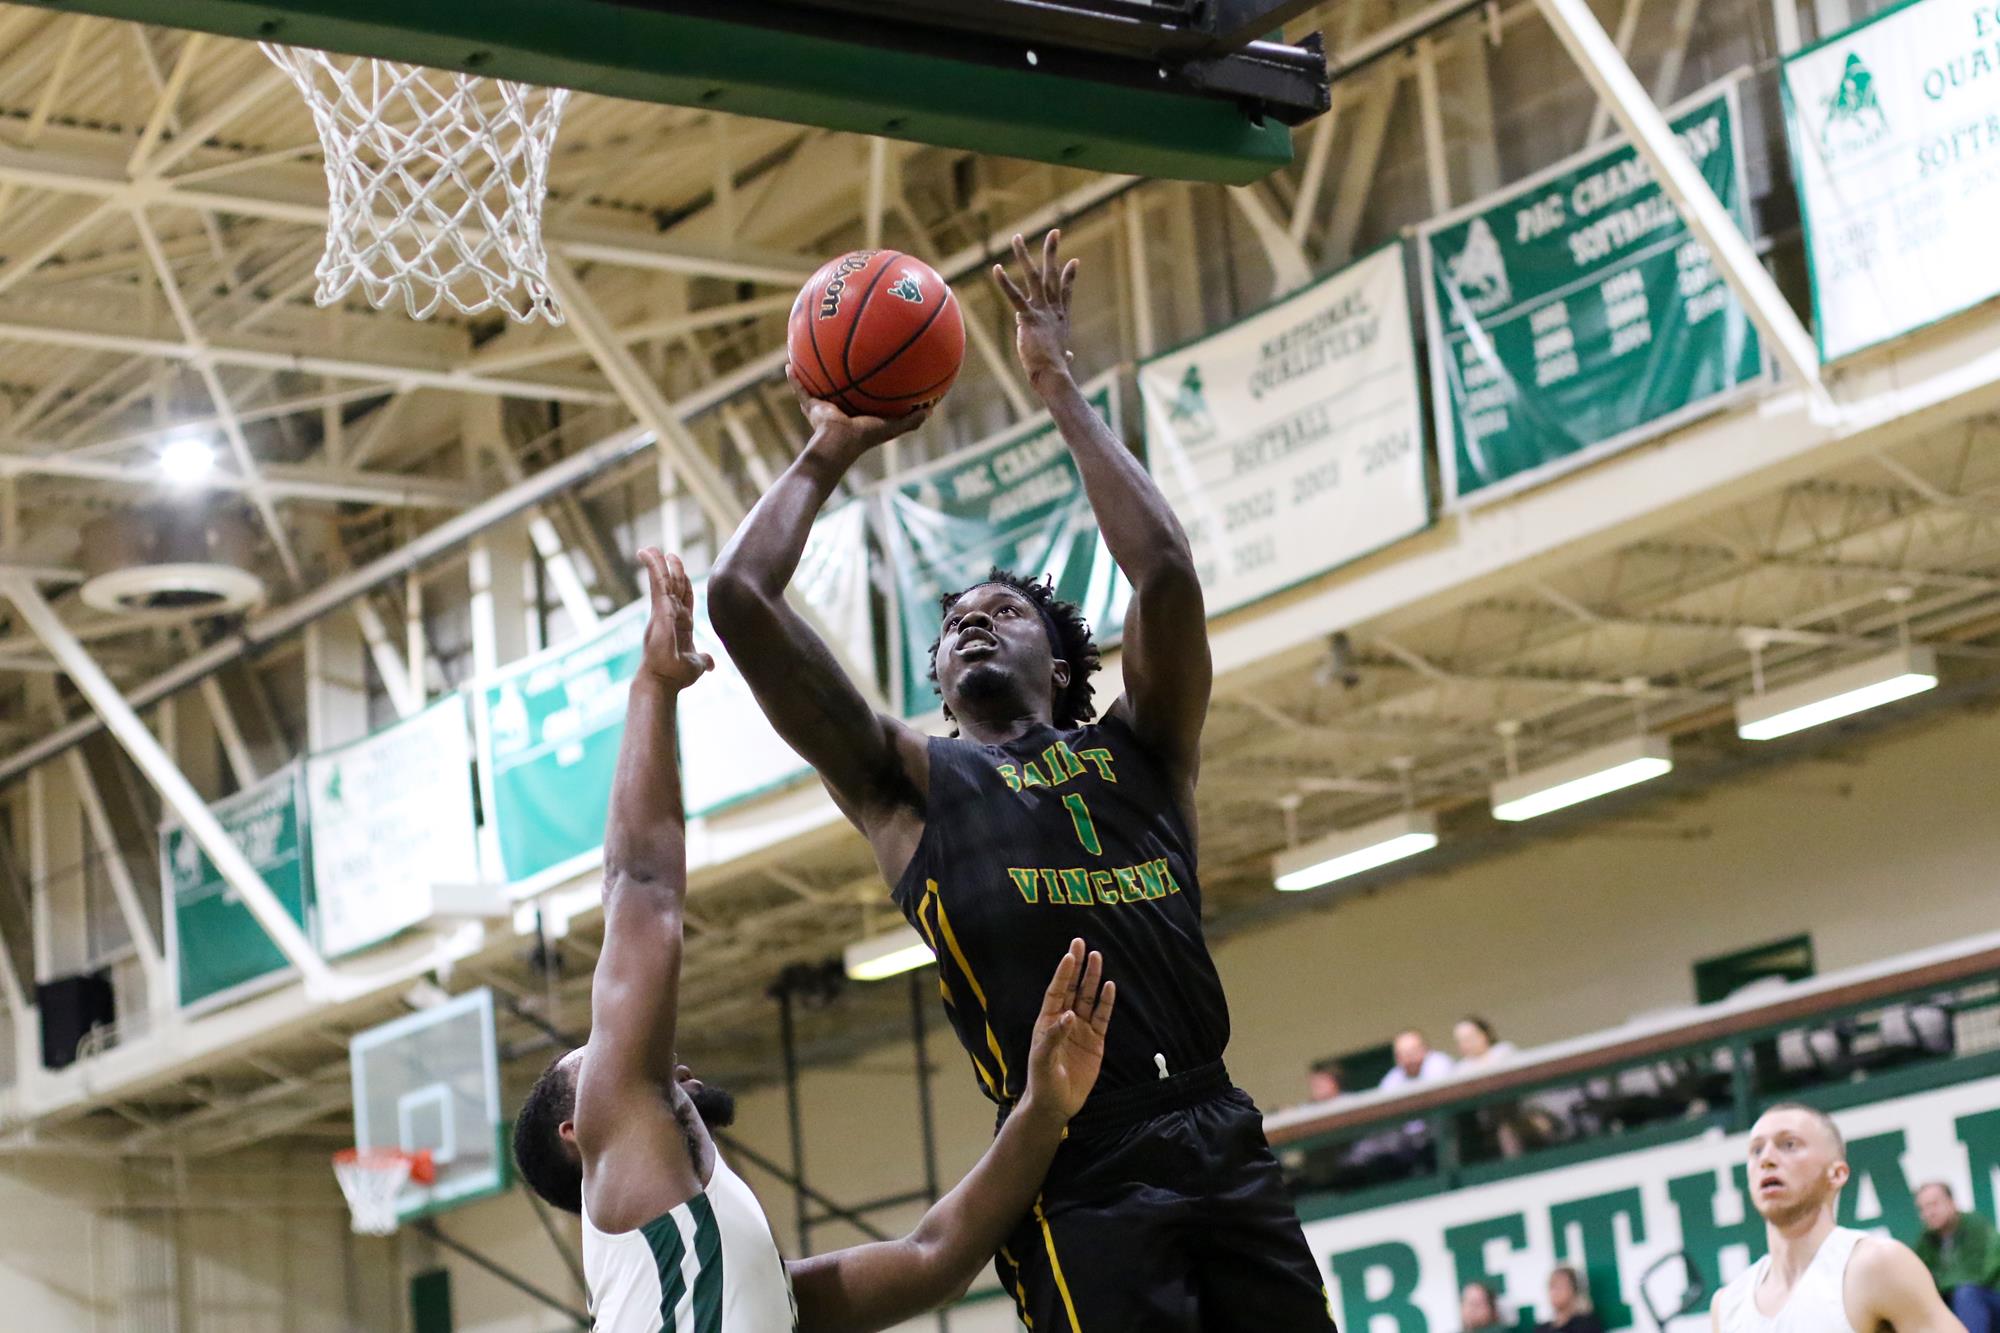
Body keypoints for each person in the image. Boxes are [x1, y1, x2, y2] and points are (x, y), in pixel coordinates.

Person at [708, 230, 1337, 1330]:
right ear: (942, 692)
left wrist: (1058, 387)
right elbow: (739, 601)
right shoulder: (909, 785)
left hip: (1214, 1122)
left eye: (997, 613)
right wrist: (827, 448)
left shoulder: (1141, 751)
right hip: (1068, 1160)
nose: (966, 624)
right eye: (951, 626)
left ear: (1060, 660)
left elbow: (1167, 574)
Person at [510, 548, 1119, 1333]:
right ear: (582, 1127)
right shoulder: (623, 1132)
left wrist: (1041, 1107)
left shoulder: (738, 1269)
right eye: (595, 1058)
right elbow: (643, 890)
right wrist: (653, 688)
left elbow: (935, 1256)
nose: (656, 1055)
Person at [1710, 1102, 1966, 1333]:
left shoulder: (1876, 1265)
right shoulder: (1728, 1304)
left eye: (1789, 1144)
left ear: (1837, 1174)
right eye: (1756, 1150)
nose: (1766, 1159)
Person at [1914, 1181, 2000, 1332]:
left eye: (1934, 1204)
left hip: (1991, 1301)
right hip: (1958, 1312)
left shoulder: (1976, 1226)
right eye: (1923, 1208)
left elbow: (1975, 1275)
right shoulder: (1925, 1241)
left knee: (1966, 1294)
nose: (1929, 1213)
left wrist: (1939, 1289)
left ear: (1952, 1202)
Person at [1535, 1266, 1604, 1333]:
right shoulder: (1542, 1329)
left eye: (1560, 1286)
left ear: (1573, 1289)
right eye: (1552, 1286)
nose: (1554, 1292)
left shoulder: (1586, 1325)